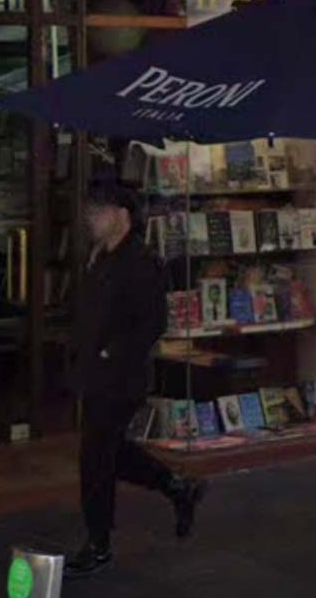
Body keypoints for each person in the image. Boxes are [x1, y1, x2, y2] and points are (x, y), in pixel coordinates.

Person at [65, 179, 205, 578]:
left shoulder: (140, 262)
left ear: (121, 216)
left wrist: (112, 352)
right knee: (110, 453)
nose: (90, 218)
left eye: (98, 211)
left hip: (119, 378)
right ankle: (177, 486)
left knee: (95, 457)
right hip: (93, 373)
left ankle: (98, 543)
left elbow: (152, 323)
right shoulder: (101, 257)